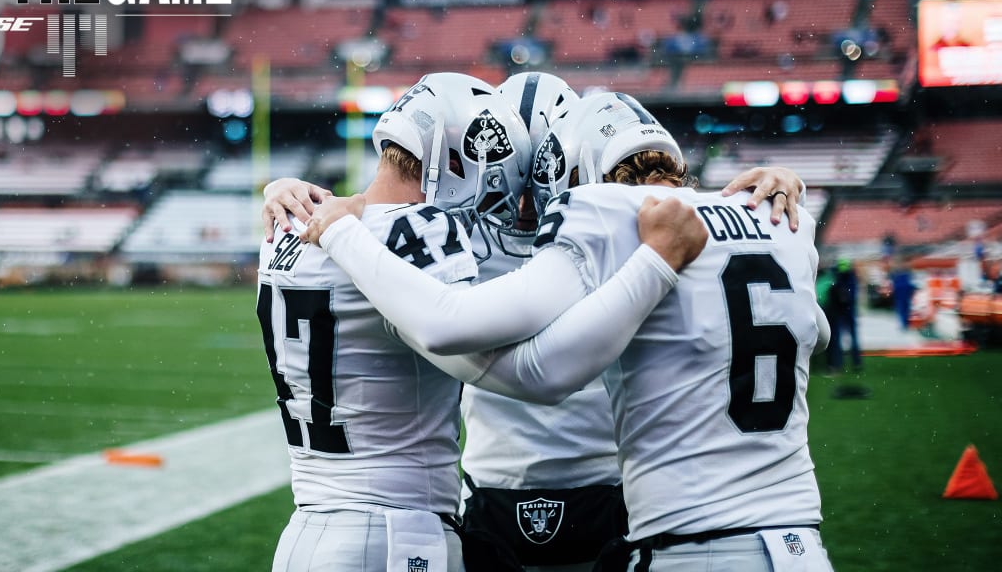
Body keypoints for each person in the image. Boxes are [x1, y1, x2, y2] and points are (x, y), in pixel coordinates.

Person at [264, 77, 807, 572]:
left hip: (597, 494)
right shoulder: (461, 237)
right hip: (489, 502)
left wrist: (325, 212)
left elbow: (444, 312)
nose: (525, 205)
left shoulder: (396, 238)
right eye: (506, 178)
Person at [825, 258, 861, 373]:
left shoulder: (837, 277)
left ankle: (838, 365)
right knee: (853, 338)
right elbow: (853, 296)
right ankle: (856, 364)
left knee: (837, 339)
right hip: (849, 311)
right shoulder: (852, 278)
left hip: (839, 312)